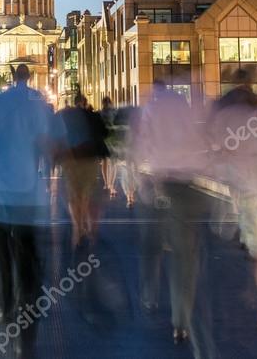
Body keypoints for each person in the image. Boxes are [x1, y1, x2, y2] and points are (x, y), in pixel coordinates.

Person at [0, 63, 56, 355]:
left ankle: (5, 304)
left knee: (2, 257)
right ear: (28, 78)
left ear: (7, 77)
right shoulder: (39, 106)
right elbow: (47, 146)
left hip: (0, 198)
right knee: (29, 266)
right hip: (31, 199)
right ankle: (26, 333)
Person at [131, 80, 217, 357]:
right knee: (184, 256)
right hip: (186, 184)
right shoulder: (184, 108)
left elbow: (142, 143)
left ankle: (149, 295)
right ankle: (181, 321)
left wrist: (138, 177)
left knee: (150, 245)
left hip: (159, 182)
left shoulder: (150, 109)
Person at [55, 93, 108, 249]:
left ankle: (77, 227)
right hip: (89, 159)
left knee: (73, 195)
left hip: (70, 159)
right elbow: (104, 133)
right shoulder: (91, 116)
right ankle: (84, 224)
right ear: (85, 103)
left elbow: (57, 135)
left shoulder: (65, 116)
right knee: (86, 194)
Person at [99, 96, 118, 195]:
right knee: (113, 163)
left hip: (104, 139)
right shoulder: (115, 112)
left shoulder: (100, 113)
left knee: (105, 161)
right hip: (113, 139)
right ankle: (111, 185)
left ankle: (106, 183)